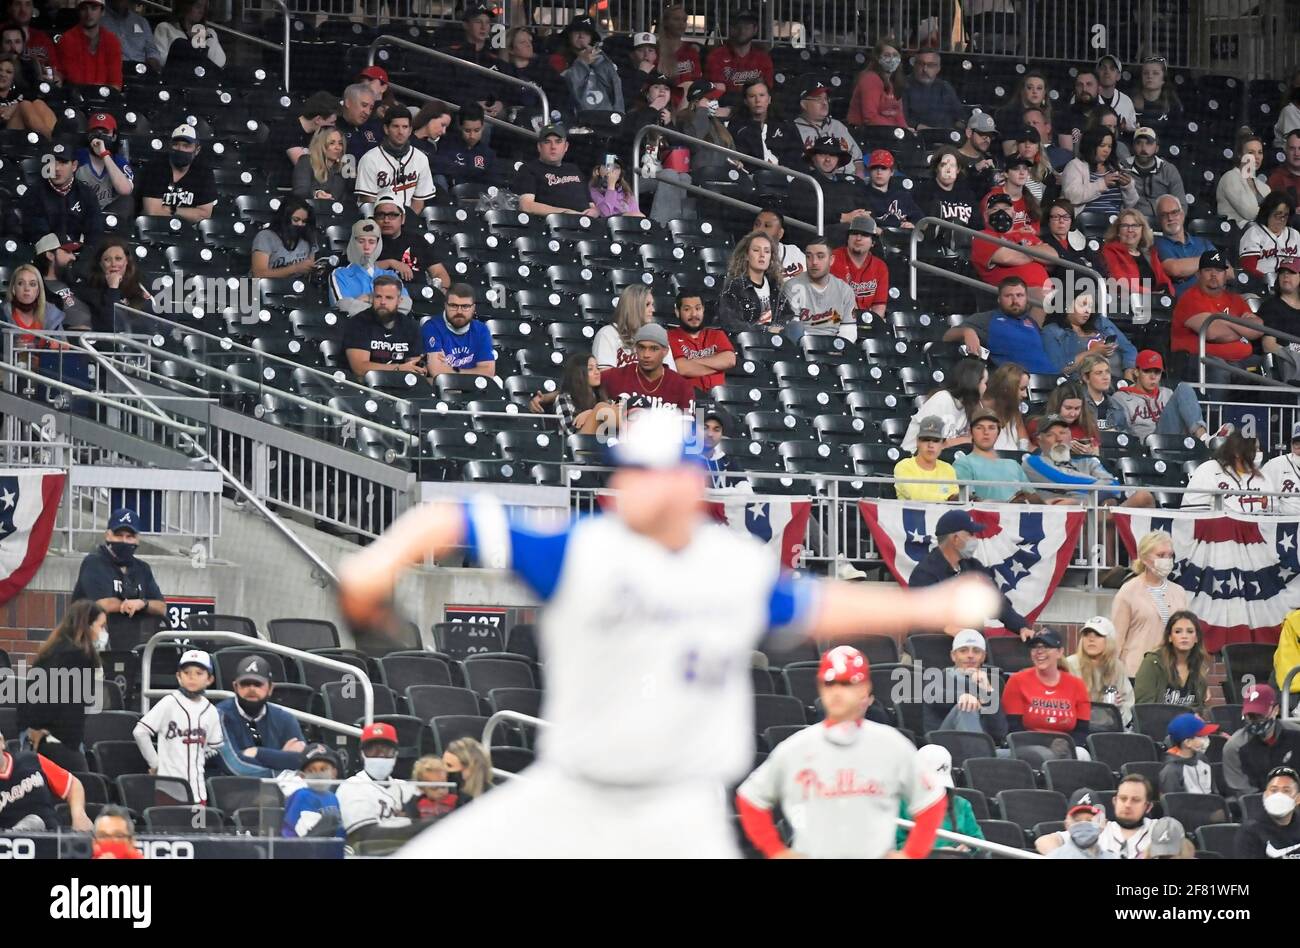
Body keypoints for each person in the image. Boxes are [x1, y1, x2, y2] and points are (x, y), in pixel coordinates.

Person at [338, 410, 1002, 858]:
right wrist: (374, 567)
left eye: (646, 471)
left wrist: (932, 603)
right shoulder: (586, 548)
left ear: (690, 480)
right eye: (625, 469)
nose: (629, 482)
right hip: (572, 791)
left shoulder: (732, 567)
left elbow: (821, 607)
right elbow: (452, 518)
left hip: (677, 814)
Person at [737, 644, 947, 859]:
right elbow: (751, 798)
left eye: (847, 683)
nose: (837, 691)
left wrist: (911, 853)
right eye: (830, 683)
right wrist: (775, 851)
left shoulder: (892, 745)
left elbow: (932, 802)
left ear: (864, 688)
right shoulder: (796, 747)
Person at [907, 508, 1034, 641]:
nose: (975, 539)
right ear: (955, 539)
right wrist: (947, 628)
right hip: (928, 652)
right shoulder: (925, 572)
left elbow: (997, 603)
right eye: (971, 534)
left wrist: (1021, 627)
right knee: (918, 661)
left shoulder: (974, 568)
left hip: (971, 650)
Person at [15, 599, 103, 772]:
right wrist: (43, 730)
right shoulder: (79, 656)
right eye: (101, 626)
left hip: (43, 733)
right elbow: (61, 699)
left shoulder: (52, 649)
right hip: (58, 737)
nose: (103, 632)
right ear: (88, 625)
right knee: (81, 785)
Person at [132, 649, 224, 805]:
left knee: (199, 827)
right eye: (186, 672)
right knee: (169, 827)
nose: (192, 677)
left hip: (198, 790)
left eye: (199, 673)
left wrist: (198, 757)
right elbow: (140, 732)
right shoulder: (169, 703)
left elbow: (215, 746)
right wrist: (155, 764)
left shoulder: (211, 710)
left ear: (210, 679)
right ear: (178, 677)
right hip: (168, 787)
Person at [70, 507, 164, 649]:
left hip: (131, 649)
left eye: (129, 536)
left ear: (137, 539)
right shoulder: (94, 562)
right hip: (88, 647)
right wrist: (126, 605)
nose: (124, 541)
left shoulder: (142, 569)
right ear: (108, 535)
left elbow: (161, 607)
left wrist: (142, 604)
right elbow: (101, 604)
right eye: (119, 535)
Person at [1170, 249, 1265, 384]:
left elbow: (1258, 329)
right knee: (1219, 368)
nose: (1214, 274)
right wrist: (1243, 328)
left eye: (1219, 270)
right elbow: (1212, 333)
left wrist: (1223, 320)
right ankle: (1214, 406)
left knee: (1266, 364)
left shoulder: (1235, 299)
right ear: (1198, 274)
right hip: (1198, 360)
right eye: (1208, 270)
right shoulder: (1190, 298)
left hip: (1240, 360)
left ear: (1226, 275)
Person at [1023, 413, 1156, 508]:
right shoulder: (1033, 462)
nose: (1058, 439)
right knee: (1074, 504)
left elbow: (1114, 486)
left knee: (1143, 496)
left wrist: (1094, 494)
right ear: (1039, 441)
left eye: (1063, 433)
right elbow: (1064, 480)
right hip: (1063, 518)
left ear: (1070, 436)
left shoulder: (1088, 461)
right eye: (1050, 435)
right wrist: (1098, 490)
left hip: (1097, 512)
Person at [215, 655, 307, 778]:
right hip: (234, 790)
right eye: (245, 684)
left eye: (258, 684)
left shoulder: (285, 719)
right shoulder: (220, 715)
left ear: (270, 688)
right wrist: (282, 760)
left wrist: (256, 752)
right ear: (235, 687)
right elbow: (234, 766)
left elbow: (302, 760)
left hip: (281, 792)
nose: (251, 689)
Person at [1001, 629, 1091, 750]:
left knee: (1081, 754)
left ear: (1059, 652)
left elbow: (1082, 731)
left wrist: (1067, 745)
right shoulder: (1017, 681)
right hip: (1027, 745)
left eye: (1046, 647)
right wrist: (1044, 745)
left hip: (1065, 747)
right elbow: (1013, 727)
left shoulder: (1077, 685)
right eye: (1035, 647)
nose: (1039, 652)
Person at [920, 628, 1009, 743]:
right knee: (966, 707)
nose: (970, 655)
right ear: (953, 655)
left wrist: (988, 691)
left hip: (986, 750)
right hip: (944, 746)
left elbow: (1000, 734)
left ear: (983, 657)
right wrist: (963, 696)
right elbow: (936, 697)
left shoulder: (988, 682)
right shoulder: (935, 678)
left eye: (976, 651)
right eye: (963, 651)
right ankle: (977, 756)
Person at [337, 721, 418, 844]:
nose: (380, 755)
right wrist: (416, 828)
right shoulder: (352, 786)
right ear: (362, 754)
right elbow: (363, 835)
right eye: (373, 750)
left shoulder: (405, 787)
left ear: (396, 754)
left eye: (386, 750)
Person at [1106, 349, 1214, 441]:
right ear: (1136, 372)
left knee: (1184, 388)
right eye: (1147, 371)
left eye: (1157, 372)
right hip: (1144, 445)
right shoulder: (1121, 397)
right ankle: (1207, 440)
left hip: (1171, 438)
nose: (1153, 377)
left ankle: (1205, 439)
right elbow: (1122, 432)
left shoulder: (1168, 393)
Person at [0, 728, 92, 831]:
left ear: (2, 742)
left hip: (52, 837)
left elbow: (72, 785)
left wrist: (79, 816)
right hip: (11, 842)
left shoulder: (30, 759)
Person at [19, 140, 103, 247]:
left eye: (63, 162)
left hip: (80, 254)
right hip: (46, 255)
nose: (56, 168)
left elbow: (95, 233)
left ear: (74, 166)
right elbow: (36, 234)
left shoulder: (86, 194)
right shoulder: (34, 193)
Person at [970, 195, 1056, 300]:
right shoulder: (983, 236)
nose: (1001, 213)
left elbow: (1052, 256)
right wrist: (1036, 253)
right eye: (995, 209)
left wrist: (1022, 250)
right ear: (986, 216)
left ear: (1013, 214)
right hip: (1013, 296)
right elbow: (1006, 258)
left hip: (1048, 292)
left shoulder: (1027, 235)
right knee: (1040, 295)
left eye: (1006, 209)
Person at [600, 323, 695, 415]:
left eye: (654, 349)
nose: (646, 355)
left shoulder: (682, 386)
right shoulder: (615, 377)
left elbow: (692, 427)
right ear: (635, 349)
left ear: (665, 351)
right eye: (641, 348)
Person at [353, 110, 436, 213]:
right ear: (386, 129)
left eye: (405, 127)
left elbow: (419, 201)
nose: (400, 132)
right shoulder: (369, 159)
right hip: (378, 219)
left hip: (408, 221)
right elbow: (368, 200)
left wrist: (408, 221)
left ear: (410, 131)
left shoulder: (421, 158)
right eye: (395, 126)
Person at [954, 408, 1044, 503]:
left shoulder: (1013, 464)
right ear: (971, 432)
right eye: (979, 428)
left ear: (998, 432)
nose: (986, 432)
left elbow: (1032, 497)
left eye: (991, 428)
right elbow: (967, 501)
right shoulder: (963, 463)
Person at [1224, 685, 1300, 797]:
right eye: (1250, 716)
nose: (1255, 721)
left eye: (1260, 715)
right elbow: (1241, 790)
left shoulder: (1296, 734)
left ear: (1275, 710)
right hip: (1257, 805)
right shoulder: (1234, 746)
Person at [1043, 290, 1137, 379]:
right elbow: (1060, 369)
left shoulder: (1099, 321)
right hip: (1082, 387)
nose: (1088, 311)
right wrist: (1092, 352)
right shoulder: (1052, 331)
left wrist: (1128, 372)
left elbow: (1129, 349)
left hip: (1119, 382)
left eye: (1090, 306)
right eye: (1083, 304)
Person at [342, 275, 423, 378]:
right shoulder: (358, 323)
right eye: (378, 297)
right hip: (366, 386)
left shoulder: (411, 326)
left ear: (399, 300)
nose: (383, 302)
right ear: (372, 298)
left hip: (401, 386)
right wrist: (398, 369)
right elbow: (359, 369)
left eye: (389, 298)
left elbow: (413, 366)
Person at [780, 236, 858, 342]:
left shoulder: (844, 290)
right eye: (809, 257)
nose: (814, 262)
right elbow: (794, 329)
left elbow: (849, 330)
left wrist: (837, 350)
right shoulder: (792, 287)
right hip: (802, 348)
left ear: (831, 260)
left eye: (820, 256)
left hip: (836, 350)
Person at [902, 356, 985, 452]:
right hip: (913, 460)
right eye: (984, 382)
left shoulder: (967, 407)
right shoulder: (942, 399)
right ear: (973, 383)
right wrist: (964, 440)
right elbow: (927, 444)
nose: (986, 387)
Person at [717, 229, 793, 334]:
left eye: (767, 251)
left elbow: (788, 316)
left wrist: (779, 328)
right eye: (756, 250)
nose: (762, 255)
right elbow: (731, 323)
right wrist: (766, 330)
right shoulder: (734, 285)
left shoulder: (774, 285)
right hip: (747, 344)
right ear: (747, 255)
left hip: (774, 343)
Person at [329, 218, 410, 316]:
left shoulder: (391, 275)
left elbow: (406, 304)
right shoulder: (340, 274)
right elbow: (344, 306)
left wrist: (369, 298)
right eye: (361, 241)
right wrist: (386, 307)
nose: (366, 247)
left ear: (378, 244)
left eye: (372, 242)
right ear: (353, 243)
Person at [136, 123, 217, 222]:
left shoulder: (204, 172)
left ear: (197, 150)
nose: (180, 149)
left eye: (186, 146)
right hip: (155, 229)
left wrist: (172, 209)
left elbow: (204, 215)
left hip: (188, 232)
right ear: (170, 146)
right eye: (176, 144)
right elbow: (152, 213)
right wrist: (190, 214)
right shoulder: (156, 168)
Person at [76, 236, 156, 333]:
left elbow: (165, 317)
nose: (113, 264)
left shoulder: (142, 284)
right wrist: (113, 288)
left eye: (118, 259)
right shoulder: (89, 291)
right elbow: (111, 326)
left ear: (126, 261)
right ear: (100, 264)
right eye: (107, 260)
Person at [1134, 611, 1211, 712]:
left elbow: (1198, 708)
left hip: (1187, 726)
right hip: (1157, 726)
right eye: (1178, 631)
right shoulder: (1152, 663)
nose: (1184, 636)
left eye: (1190, 631)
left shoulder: (1200, 666)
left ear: (1196, 638)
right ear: (1169, 637)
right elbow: (1143, 709)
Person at [513, 124, 597, 217]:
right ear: (539, 147)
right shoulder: (529, 169)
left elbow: (591, 205)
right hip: (553, 226)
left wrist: (594, 212)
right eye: (547, 142)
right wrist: (566, 213)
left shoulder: (574, 169)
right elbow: (526, 206)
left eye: (558, 141)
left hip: (586, 225)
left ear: (566, 147)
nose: (553, 146)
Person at [1182, 426, 1272, 513]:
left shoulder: (1263, 477)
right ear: (1237, 452)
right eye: (1254, 449)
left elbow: (1272, 513)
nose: (1259, 453)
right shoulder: (1209, 470)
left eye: (1259, 449)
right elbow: (1192, 512)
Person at [527, 352, 617, 437]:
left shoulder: (603, 397)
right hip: (579, 446)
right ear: (578, 373)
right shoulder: (564, 398)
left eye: (597, 368)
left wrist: (589, 414)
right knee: (601, 408)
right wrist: (593, 413)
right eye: (590, 369)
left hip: (604, 444)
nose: (597, 372)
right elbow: (571, 431)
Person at [1066, 615, 1134, 726]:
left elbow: (1128, 703)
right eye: (1086, 635)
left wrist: (1117, 710)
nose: (1091, 639)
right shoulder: (1070, 664)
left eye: (1098, 635)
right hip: (1076, 727)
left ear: (1109, 640)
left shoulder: (1117, 667)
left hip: (1108, 729)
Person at [593, 285, 676, 371]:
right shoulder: (607, 334)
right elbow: (605, 376)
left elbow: (670, 375)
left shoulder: (656, 336)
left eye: (652, 304)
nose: (653, 309)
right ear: (633, 306)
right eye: (647, 304)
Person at [729, 79, 805, 171]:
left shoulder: (784, 123)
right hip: (752, 177)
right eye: (752, 96)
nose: (758, 100)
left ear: (769, 99)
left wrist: (784, 166)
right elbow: (734, 154)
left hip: (786, 175)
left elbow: (797, 149)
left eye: (762, 95)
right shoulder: (737, 127)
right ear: (745, 101)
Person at [423, 284, 495, 378]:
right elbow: (437, 372)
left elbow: (488, 372)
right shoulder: (432, 327)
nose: (459, 312)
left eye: (465, 306)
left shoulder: (481, 330)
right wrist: (475, 372)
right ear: (445, 305)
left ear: (473, 308)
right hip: (444, 389)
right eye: (453, 306)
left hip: (473, 388)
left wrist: (451, 371)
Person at [667, 291, 734, 391]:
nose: (694, 314)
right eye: (687, 309)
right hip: (688, 399)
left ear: (703, 310)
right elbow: (682, 368)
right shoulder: (670, 337)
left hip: (718, 399)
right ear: (678, 312)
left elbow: (729, 360)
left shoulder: (717, 335)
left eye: (698, 308)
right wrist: (717, 365)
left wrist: (691, 363)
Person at [1061, 127, 1138, 215]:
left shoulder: (1115, 168)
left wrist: (1127, 187)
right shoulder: (1075, 166)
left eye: (1110, 146)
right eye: (1102, 145)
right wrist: (1102, 183)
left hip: (1116, 222)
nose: (1106, 150)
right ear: (1090, 145)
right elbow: (1071, 197)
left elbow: (1131, 204)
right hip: (1085, 223)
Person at [986, 277, 1055, 374]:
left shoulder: (1031, 322)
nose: (1015, 301)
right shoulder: (988, 318)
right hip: (1020, 383)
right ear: (999, 299)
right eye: (1008, 296)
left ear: (1026, 298)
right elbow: (956, 331)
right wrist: (967, 332)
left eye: (1019, 295)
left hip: (1054, 379)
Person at [1153, 195, 1218, 298]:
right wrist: (1209, 261)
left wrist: (1191, 269)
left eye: (1174, 212)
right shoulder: (1157, 244)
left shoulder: (1203, 243)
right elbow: (1175, 269)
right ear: (1158, 220)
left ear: (1182, 214)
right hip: (1185, 304)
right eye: (1164, 215)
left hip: (1213, 301)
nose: (1170, 218)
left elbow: (1228, 271)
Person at [704, 7, 773, 103]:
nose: (742, 30)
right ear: (730, 28)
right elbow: (715, 90)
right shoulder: (716, 56)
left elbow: (767, 90)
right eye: (738, 25)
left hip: (754, 107)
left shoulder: (763, 59)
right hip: (725, 106)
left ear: (755, 30)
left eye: (747, 26)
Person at [558, 17, 623, 118]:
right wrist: (582, 62)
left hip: (605, 118)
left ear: (592, 38)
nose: (581, 36)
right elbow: (566, 88)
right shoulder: (559, 58)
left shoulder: (603, 59)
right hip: (574, 119)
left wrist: (597, 60)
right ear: (569, 35)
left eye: (586, 33)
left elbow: (613, 87)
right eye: (577, 31)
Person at [793, 82, 862, 176]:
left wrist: (858, 179)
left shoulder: (838, 126)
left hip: (847, 180)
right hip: (815, 182)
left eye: (825, 99)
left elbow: (858, 160)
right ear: (804, 104)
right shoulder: (793, 129)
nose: (824, 103)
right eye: (818, 99)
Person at [72, 111, 133, 215]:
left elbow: (125, 190)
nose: (100, 136)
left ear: (114, 136)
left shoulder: (118, 161)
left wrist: (104, 154)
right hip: (79, 210)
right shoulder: (78, 156)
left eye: (105, 132)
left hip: (108, 214)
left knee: (127, 202)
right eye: (96, 132)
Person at [278, 743, 344, 839]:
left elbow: (339, 832)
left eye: (323, 769)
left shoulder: (333, 797)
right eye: (311, 770)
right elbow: (289, 833)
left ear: (334, 773)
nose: (318, 774)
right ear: (302, 776)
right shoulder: (301, 796)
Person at [829, 216, 889, 318]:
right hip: (835, 318)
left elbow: (879, 306)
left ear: (873, 242)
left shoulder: (880, 266)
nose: (858, 238)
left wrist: (875, 325)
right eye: (854, 233)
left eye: (865, 235)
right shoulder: (833, 259)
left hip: (865, 322)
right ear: (848, 238)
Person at [54, 0, 122, 89]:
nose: (89, 13)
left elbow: (116, 84)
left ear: (102, 12)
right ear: (78, 12)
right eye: (84, 9)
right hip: (75, 98)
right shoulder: (67, 40)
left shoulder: (112, 41)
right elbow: (68, 77)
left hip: (105, 98)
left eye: (94, 8)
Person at [1238, 191, 1300, 288]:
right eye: (1278, 214)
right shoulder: (1254, 233)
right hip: (1260, 285)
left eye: (1285, 215)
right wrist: (1271, 280)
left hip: (1291, 287)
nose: (1282, 220)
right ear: (1267, 213)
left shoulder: (1294, 235)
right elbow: (1248, 268)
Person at [268, 90, 339, 175]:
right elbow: (304, 167)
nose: (334, 126)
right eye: (331, 122)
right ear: (318, 120)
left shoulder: (318, 133)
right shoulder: (288, 130)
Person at [1236, 766, 1300, 859]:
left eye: (1286, 791)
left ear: (1298, 799)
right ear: (1265, 796)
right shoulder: (1250, 832)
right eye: (1274, 790)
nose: (1279, 795)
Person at [428, 104, 497, 190]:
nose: (472, 136)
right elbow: (438, 167)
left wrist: (458, 169)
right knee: (439, 179)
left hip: (476, 197)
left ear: (483, 127)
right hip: (449, 195)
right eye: (467, 131)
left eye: (477, 130)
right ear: (460, 127)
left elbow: (492, 183)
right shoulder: (447, 143)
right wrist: (470, 171)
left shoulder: (489, 154)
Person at [2, 262, 66, 354]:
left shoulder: (51, 315)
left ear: (38, 290)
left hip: (44, 368)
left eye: (32, 284)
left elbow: (64, 349)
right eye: (21, 283)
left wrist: (49, 347)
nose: (27, 288)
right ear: (13, 289)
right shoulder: (2, 315)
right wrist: (9, 347)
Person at [250, 195, 320, 279]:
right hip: (255, 288)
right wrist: (295, 268)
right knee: (244, 288)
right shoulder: (265, 236)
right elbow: (258, 274)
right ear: (284, 218)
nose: (300, 224)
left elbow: (308, 272)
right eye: (296, 220)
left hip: (294, 287)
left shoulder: (308, 237)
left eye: (304, 221)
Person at [915, 146, 981, 233]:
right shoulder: (923, 191)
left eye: (952, 165)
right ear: (936, 168)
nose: (948, 170)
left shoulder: (967, 194)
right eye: (943, 165)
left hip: (963, 243)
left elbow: (978, 227)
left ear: (958, 169)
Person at [1039, 199, 1107, 284]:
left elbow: (1098, 267)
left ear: (1071, 221)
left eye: (1066, 217)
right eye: (1056, 217)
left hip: (1091, 287)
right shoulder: (1042, 243)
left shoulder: (1079, 240)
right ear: (1048, 221)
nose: (1061, 221)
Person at [1124, 127, 1184, 221]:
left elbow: (1181, 205)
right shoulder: (1123, 168)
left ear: (1157, 148)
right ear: (1132, 147)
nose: (1143, 148)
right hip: (1132, 224)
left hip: (1163, 223)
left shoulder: (1168, 170)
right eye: (1139, 143)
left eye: (1148, 143)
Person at [894, 416, 959, 502]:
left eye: (936, 440)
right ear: (917, 441)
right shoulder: (903, 466)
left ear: (942, 444)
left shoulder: (948, 469)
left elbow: (956, 498)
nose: (930, 445)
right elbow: (916, 495)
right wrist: (948, 499)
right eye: (926, 439)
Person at [846, 37, 906, 128]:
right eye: (887, 55)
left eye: (895, 55)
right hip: (865, 133)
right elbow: (870, 118)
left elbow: (898, 114)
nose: (892, 59)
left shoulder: (893, 82)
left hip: (888, 132)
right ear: (878, 58)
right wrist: (897, 129)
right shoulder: (870, 79)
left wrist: (906, 130)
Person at [1216, 130, 1269, 227]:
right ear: (1240, 155)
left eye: (1260, 152)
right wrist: (1272, 214)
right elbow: (1250, 212)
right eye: (1251, 152)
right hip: (1234, 235)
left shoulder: (1265, 187)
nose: (1256, 157)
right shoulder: (1230, 178)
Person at [153, 0, 223, 71]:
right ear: (185, 6)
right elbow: (161, 59)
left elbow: (219, 61)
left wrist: (209, 39)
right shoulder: (165, 28)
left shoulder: (209, 32)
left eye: (204, 8)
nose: (201, 11)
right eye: (198, 7)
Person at [1159, 713, 1218, 796]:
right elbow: (1174, 805)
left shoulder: (1202, 759)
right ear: (1188, 742)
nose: (1206, 739)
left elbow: (1214, 793)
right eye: (1202, 736)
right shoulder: (1170, 772)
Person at [0, 47, 55, 137]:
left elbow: (33, 96)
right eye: (0, 70)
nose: (2, 74)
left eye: (8, 72)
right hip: (4, 138)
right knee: (24, 105)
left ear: (13, 78)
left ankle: (55, 137)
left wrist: (13, 107)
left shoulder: (18, 94)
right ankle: (52, 141)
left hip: (22, 136)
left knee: (38, 103)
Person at [1260, 257, 1300, 381]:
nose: (1285, 276)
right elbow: (1268, 345)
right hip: (1286, 359)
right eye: (1282, 272)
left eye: (1291, 272)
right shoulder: (1271, 306)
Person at [656, 2, 703, 107]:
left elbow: (697, 80)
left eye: (684, 20)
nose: (681, 24)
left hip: (689, 100)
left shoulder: (691, 50)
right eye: (676, 19)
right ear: (666, 22)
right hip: (664, 99)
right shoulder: (656, 49)